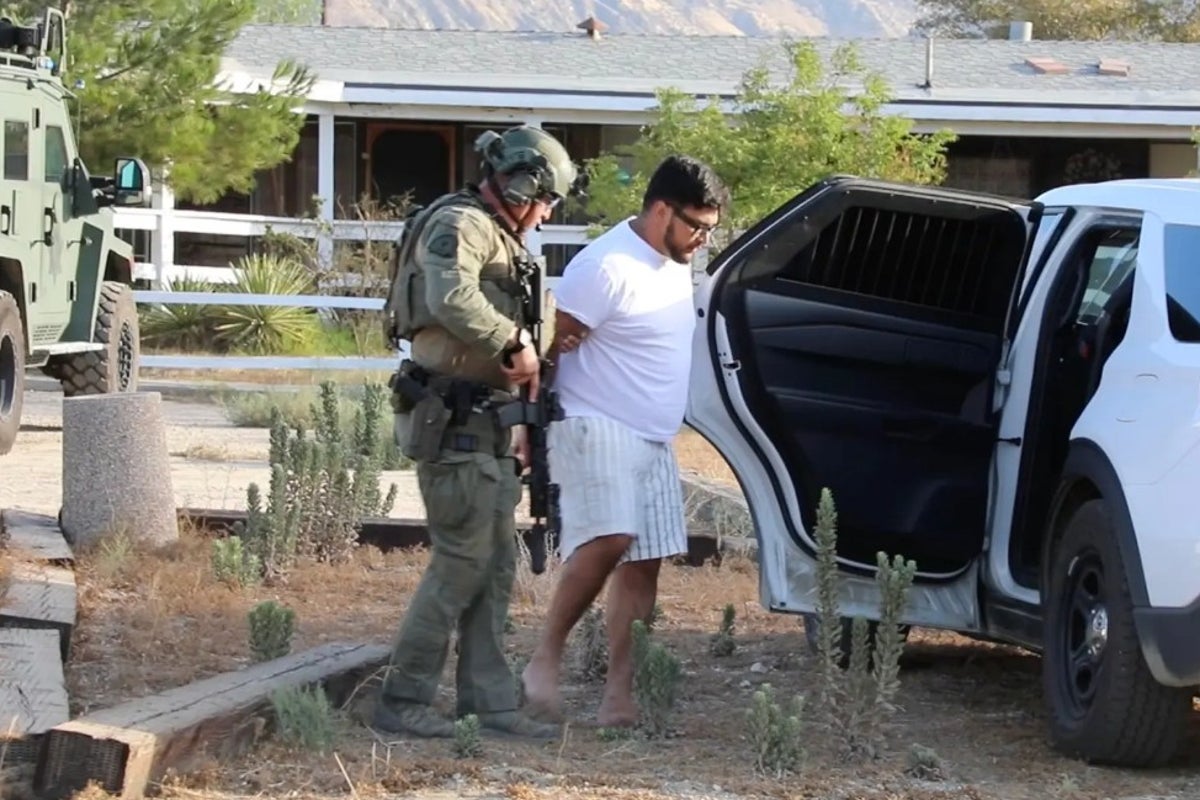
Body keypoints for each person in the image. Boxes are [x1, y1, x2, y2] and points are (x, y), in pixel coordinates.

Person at [374, 124, 583, 739]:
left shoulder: (498, 235)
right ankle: (404, 697)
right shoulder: (461, 225)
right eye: (545, 203)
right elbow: (448, 295)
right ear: (521, 187)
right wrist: (510, 340)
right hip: (453, 421)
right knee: (461, 562)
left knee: (492, 567)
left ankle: (488, 704)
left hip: (488, 424)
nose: (545, 217)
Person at [521, 154, 730, 727]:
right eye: (697, 226)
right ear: (661, 209)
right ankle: (545, 659)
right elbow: (548, 348)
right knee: (612, 536)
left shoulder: (672, 258)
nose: (702, 240)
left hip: (654, 437)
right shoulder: (606, 265)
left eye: (710, 230)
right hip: (594, 422)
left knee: (646, 561)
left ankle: (619, 695)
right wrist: (525, 428)